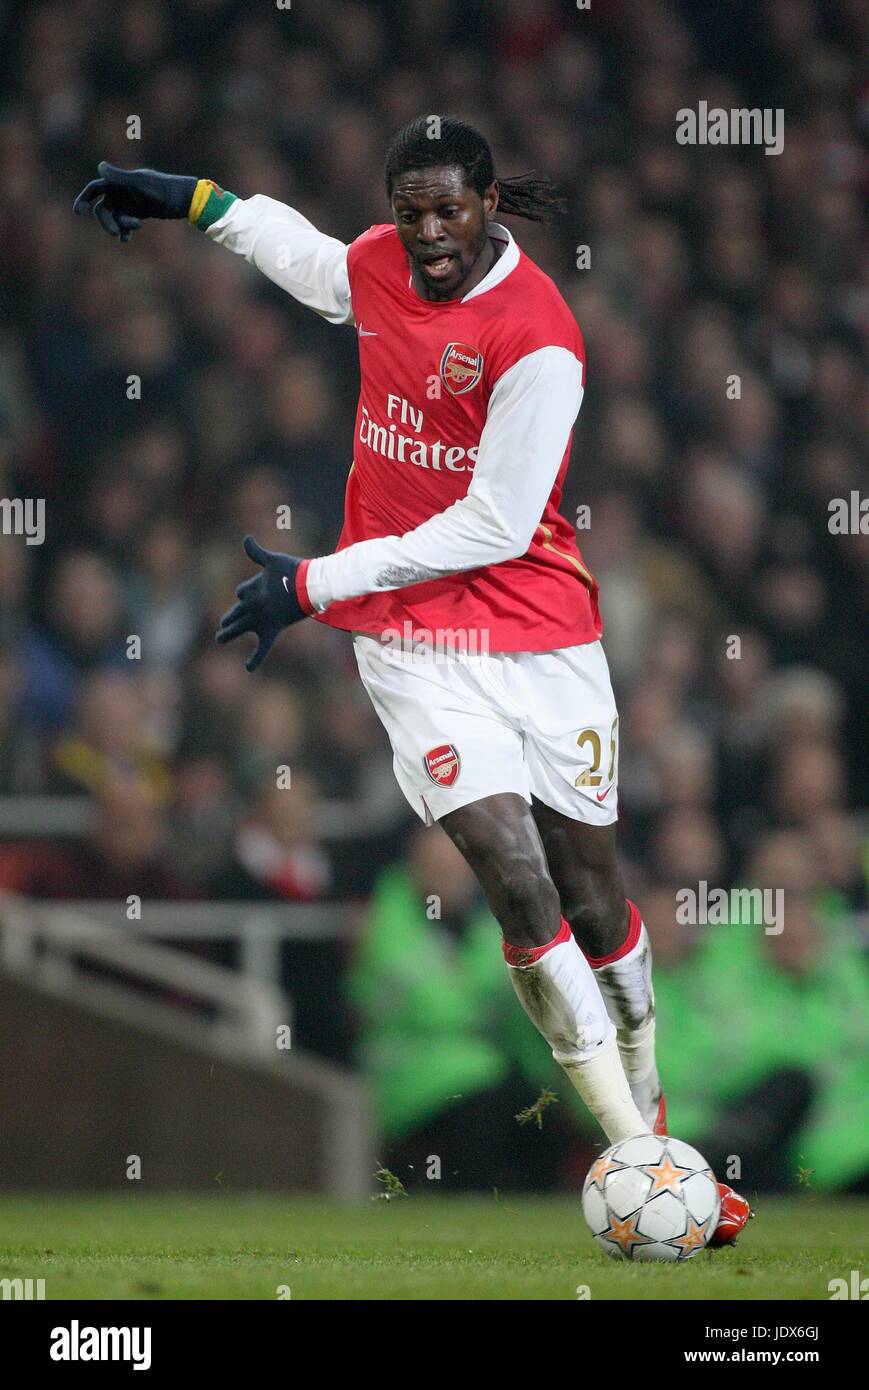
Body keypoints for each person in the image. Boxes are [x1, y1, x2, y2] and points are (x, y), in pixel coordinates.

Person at [74, 116, 748, 1242]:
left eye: (448, 209)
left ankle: (652, 1116)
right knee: (513, 874)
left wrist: (311, 583)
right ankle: (641, 1157)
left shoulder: (541, 339)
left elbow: (489, 522)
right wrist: (188, 197)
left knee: (592, 896)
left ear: (488, 203)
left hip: (539, 634)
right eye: (409, 208)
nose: (427, 233)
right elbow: (303, 256)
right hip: (413, 642)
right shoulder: (382, 263)